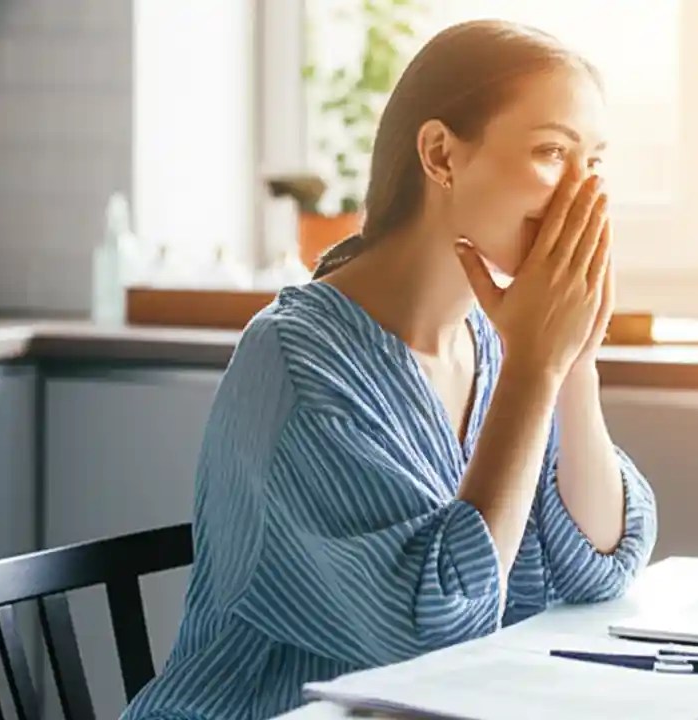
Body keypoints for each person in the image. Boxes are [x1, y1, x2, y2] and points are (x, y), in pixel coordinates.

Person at [122, 18, 658, 719]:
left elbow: (598, 564)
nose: (581, 199)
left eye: (595, 164)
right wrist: (536, 366)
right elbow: (437, 634)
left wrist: (574, 362)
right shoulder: (300, 363)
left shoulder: (495, 343)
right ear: (440, 155)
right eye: (552, 152)